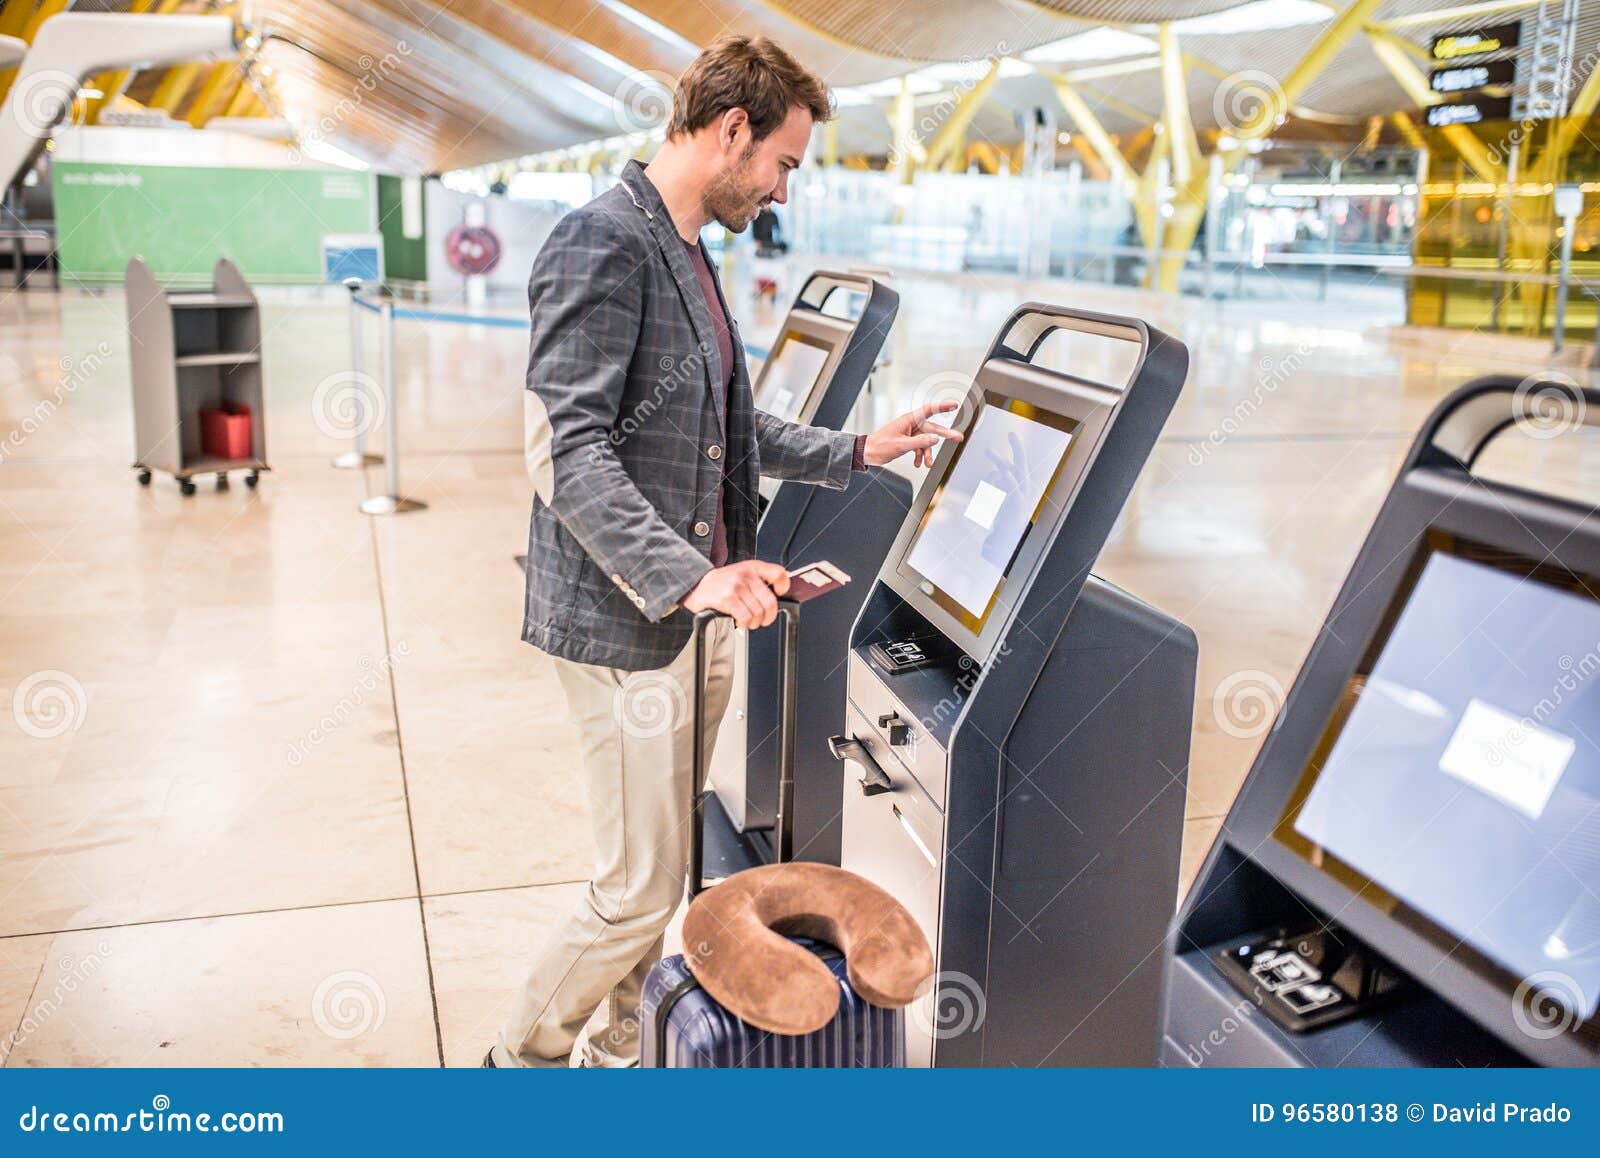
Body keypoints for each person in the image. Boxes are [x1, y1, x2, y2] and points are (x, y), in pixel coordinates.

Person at [492, 35, 961, 1069]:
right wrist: (690, 574)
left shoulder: (685, 249)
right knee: (637, 892)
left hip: (686, 619)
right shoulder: (601, 242)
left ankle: (616, 1051)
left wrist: (859, 448)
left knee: (656, 880)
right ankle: (510, 1070)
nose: (785, 188)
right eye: (784, 162)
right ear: (731, 130)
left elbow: (728, 435)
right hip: (625, 622)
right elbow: (565, 452)